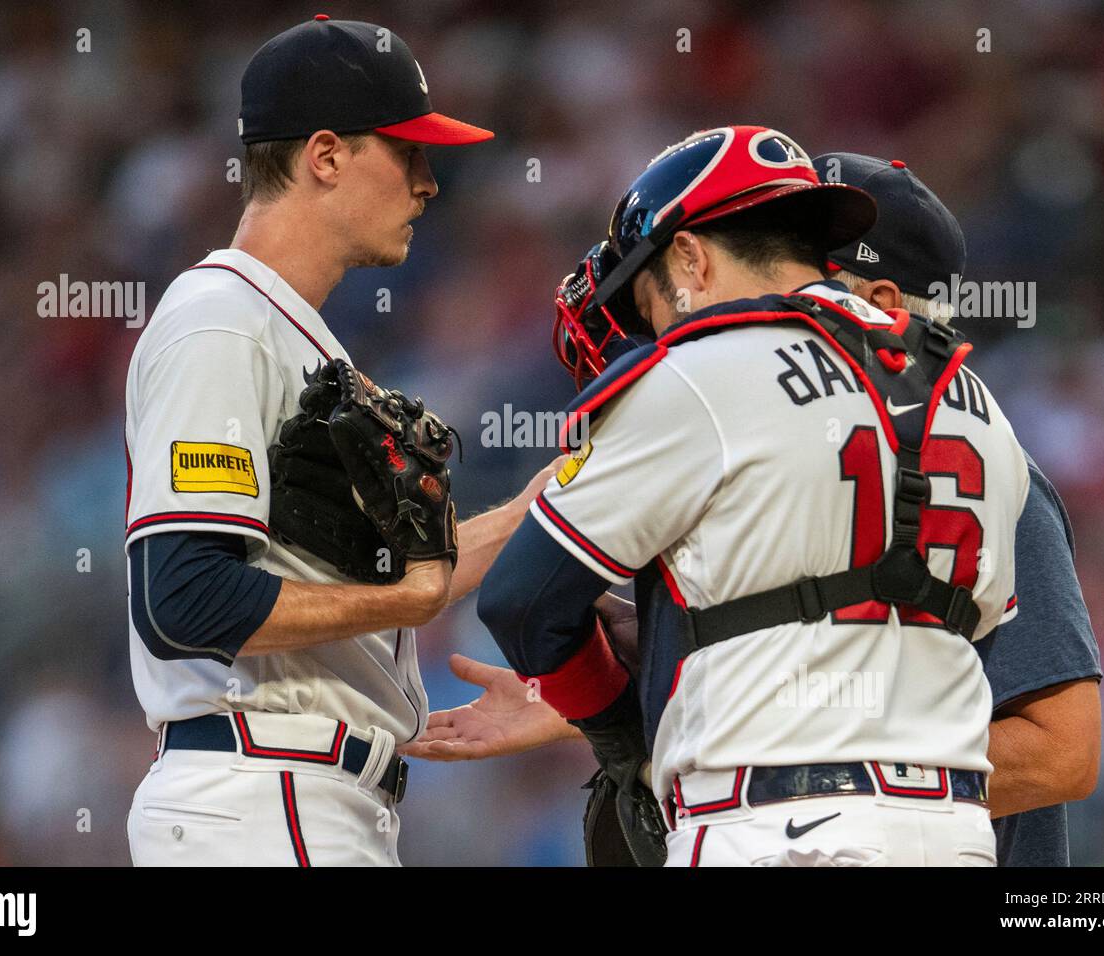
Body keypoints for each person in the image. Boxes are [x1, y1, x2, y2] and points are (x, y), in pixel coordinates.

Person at [420, 125, 1033, 866]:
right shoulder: (973, 396)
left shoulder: (701, 371)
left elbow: (522, 600)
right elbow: (964, 638)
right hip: (955, 832)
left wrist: (623, 735)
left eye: (648, 302)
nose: (655, 324)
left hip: (775, 827)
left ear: (688, 256)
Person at [123, 16, 551, 867]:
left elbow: (389, 575)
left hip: (299, 796)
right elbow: (183, 599)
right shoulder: (222, 322)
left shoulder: (299, 337)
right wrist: (409, 602)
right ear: (325, 156)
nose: (429, 183)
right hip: (261, 790)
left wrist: (552, 499)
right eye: (407, 154)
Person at [815, 153, 1102, 865]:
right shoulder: (804, 460)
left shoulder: (988, 473)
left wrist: (817, 778)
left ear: (880, 305)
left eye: (800, 277)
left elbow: (1062, 752)